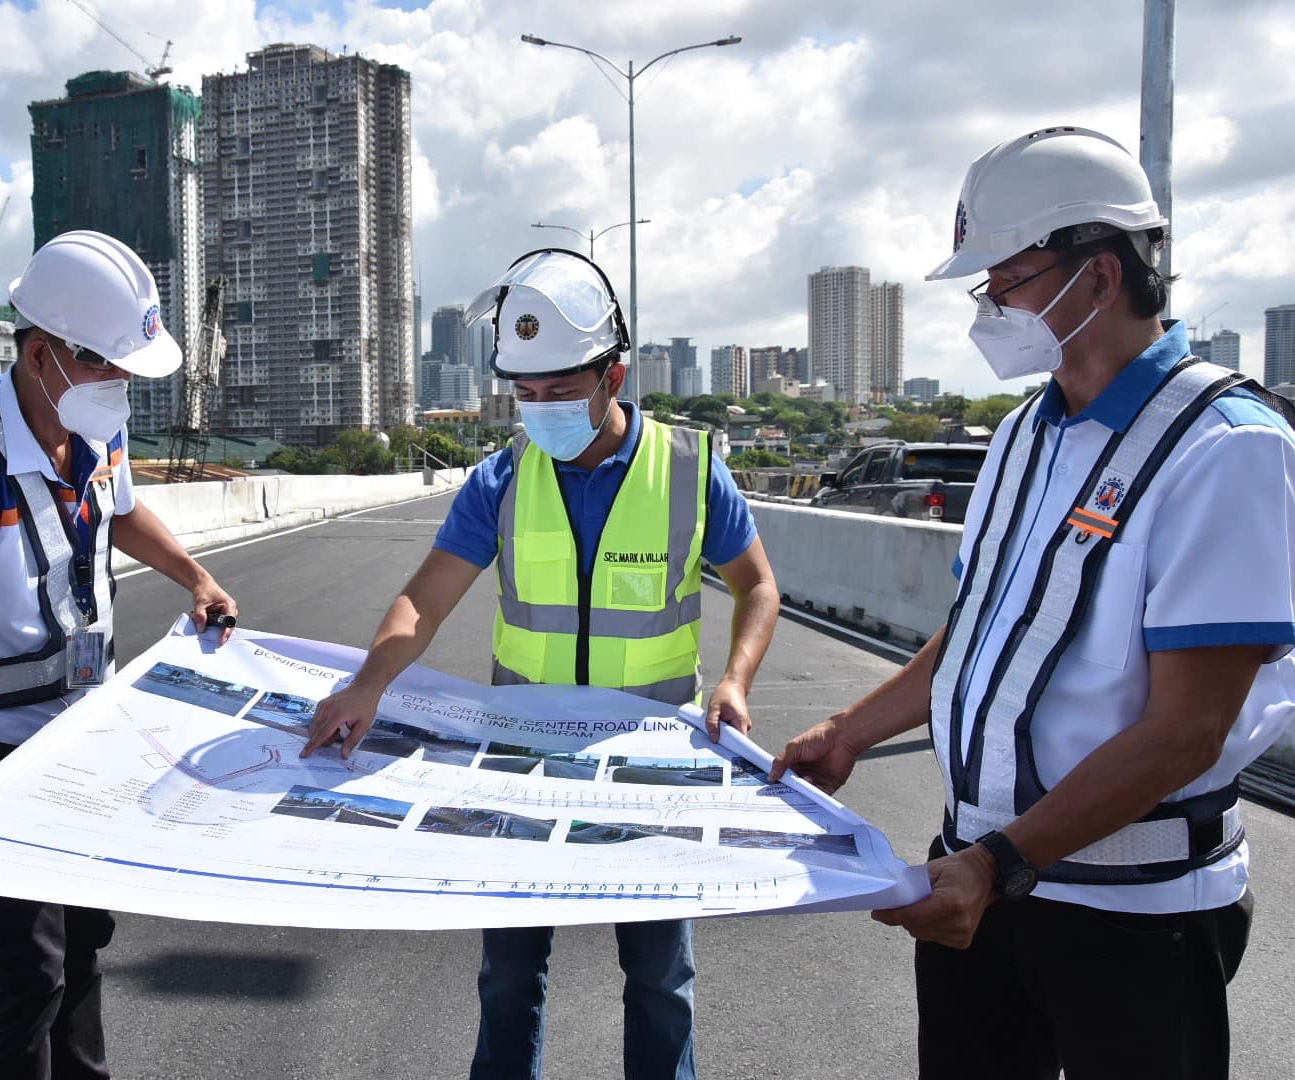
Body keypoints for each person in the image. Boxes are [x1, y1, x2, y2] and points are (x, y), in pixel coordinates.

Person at [772, 126, 1295, 1080]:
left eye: (1004, 279)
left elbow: (1188, 729)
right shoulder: (1022, 435)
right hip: (982, 882)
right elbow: (981, 636)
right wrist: (851, 729)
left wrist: (999, 863)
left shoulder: (1226, 448)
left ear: (1095, 277)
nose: (988, 307)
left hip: (1136, 913)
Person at [301, 248, 781, 1080]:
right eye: (525, 393)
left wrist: (734, 680)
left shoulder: (692, 471)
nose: (541, 408)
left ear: (613, 377)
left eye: (561, 390)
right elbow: (425, 600)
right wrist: (368, 684)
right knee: (510, 976)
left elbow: (759, 587)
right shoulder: (500, 479)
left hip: (650, 769)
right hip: (521, 764)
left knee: (661, 979)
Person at [0, 229, 239, 1079]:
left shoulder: (91, 429)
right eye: (109, 367)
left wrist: (194, 576)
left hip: (83, 729)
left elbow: (119, 514)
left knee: (85, 942)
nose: (122, 388)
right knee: (26, 965)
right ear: (44, 354)